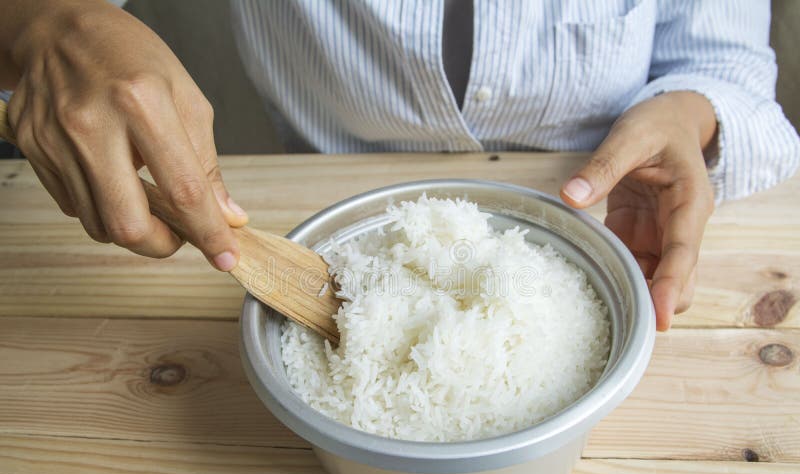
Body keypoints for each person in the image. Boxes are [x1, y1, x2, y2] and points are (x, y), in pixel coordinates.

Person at [0, 0, 797, 331]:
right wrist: (45, 21)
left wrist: (693, 112)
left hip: (606, 216)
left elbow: (724, 63)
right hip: (330, 213)